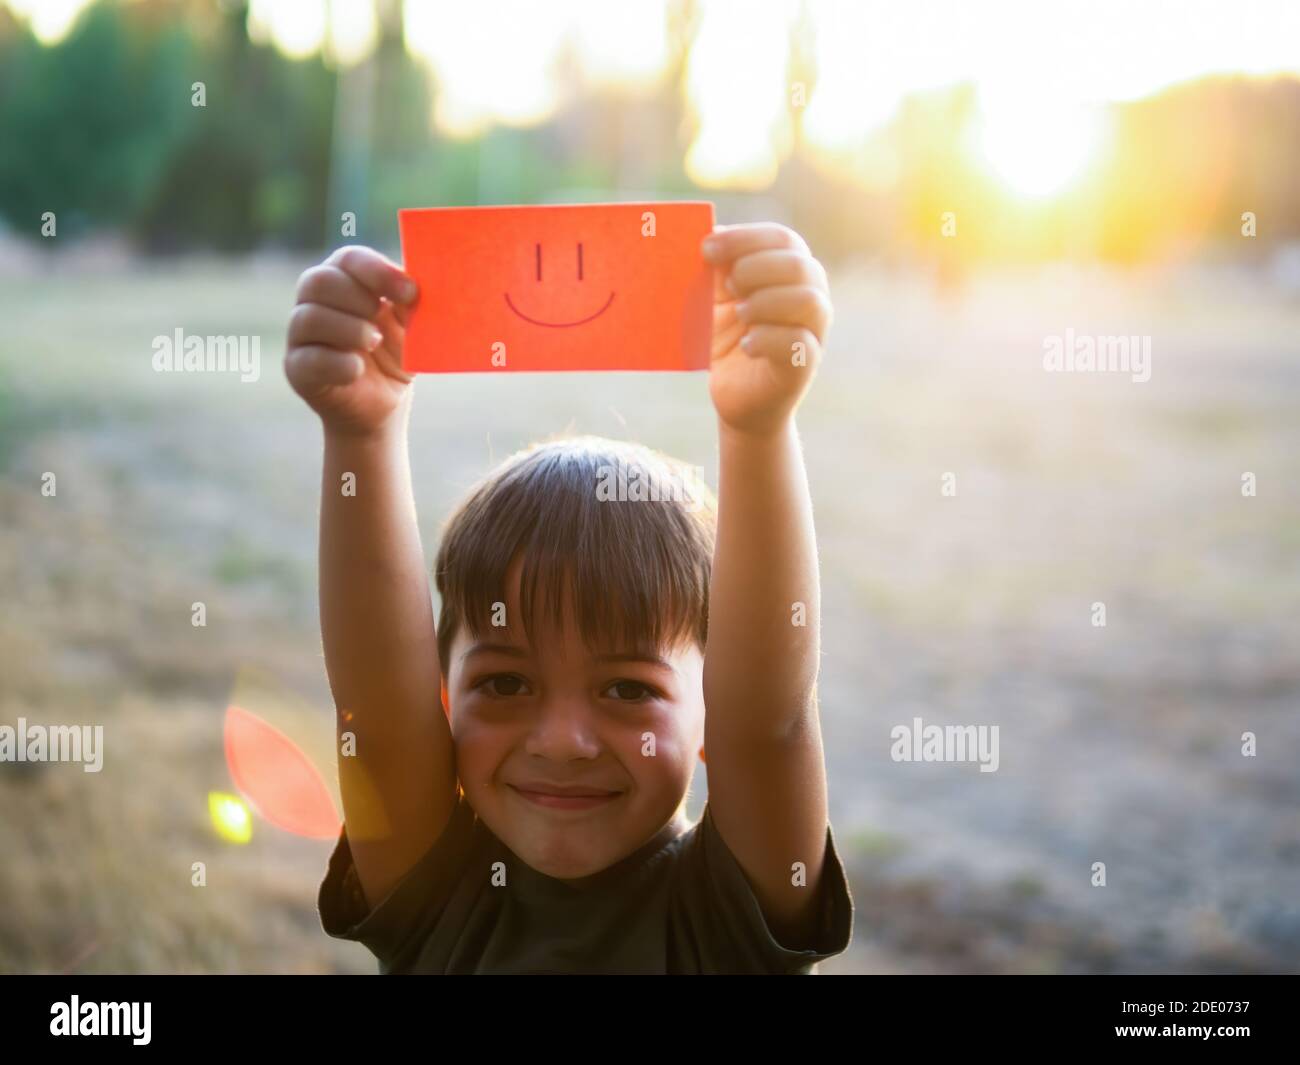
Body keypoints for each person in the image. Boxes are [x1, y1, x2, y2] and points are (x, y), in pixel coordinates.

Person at [285, 221, 853, 973]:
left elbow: (768, 724)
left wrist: (758, 428)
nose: (561, 740)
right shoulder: (438, 891)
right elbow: (380, 718)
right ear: (445, 700)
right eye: (505, 682)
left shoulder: (729, 913)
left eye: (626, 687)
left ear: (708, 705)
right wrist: (362, 431)